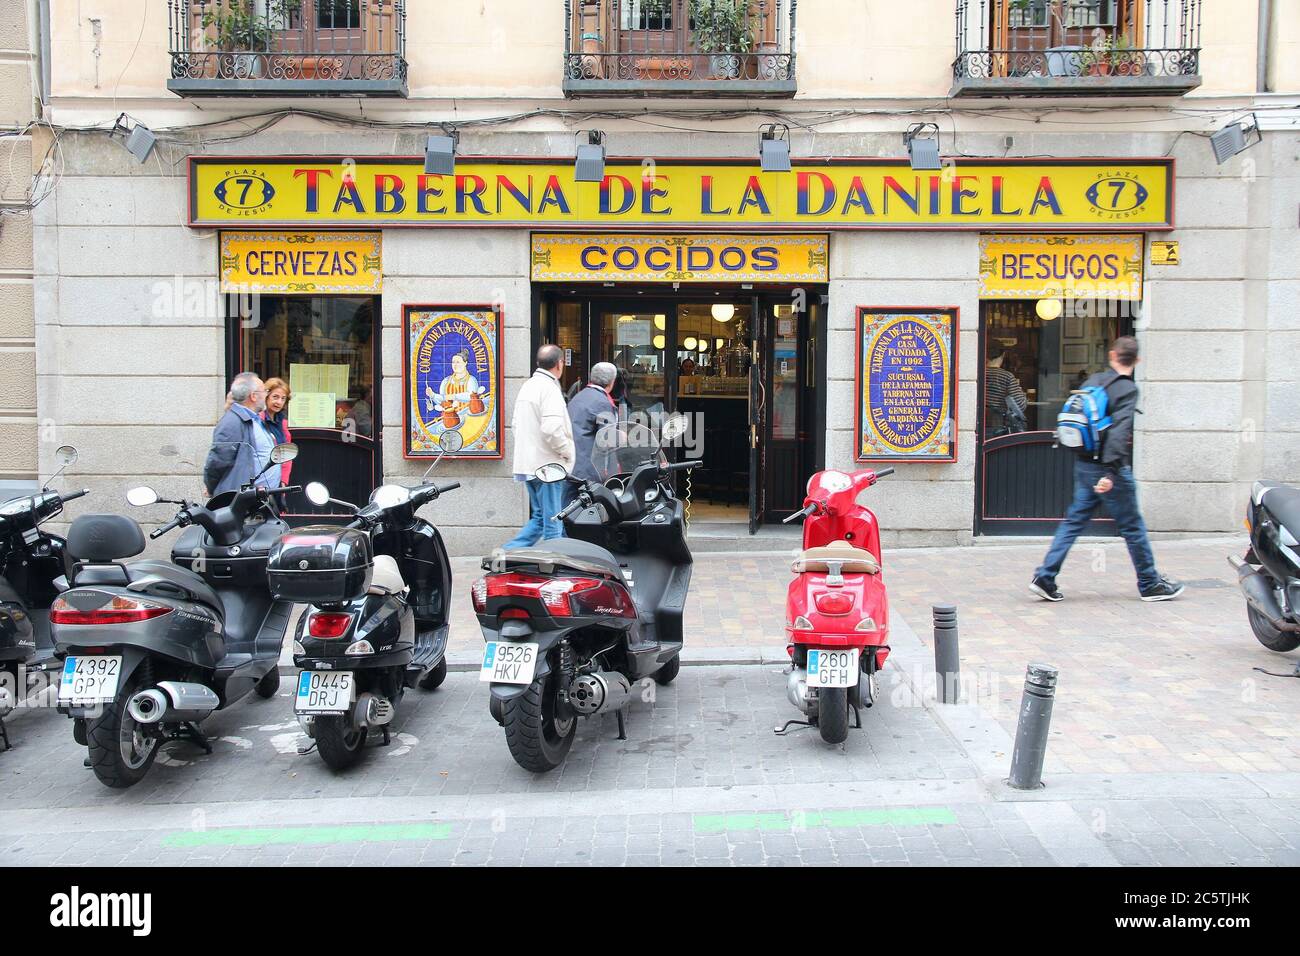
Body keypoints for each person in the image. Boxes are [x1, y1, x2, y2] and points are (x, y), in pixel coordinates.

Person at [1030, 336, 1183, 603]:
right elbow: (1119, 433)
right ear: (1137, 360)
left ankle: (1045, 576)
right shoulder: (1126, 389)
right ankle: (1150, 584)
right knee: (1133, 527)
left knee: (1074, 522)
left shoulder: (1093, 381)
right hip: (1109, 469)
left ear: (1112, 355)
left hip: (1084, 464)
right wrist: (1110, 474)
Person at [503, 344, 575, 549]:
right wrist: (567, 452)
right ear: (559, 364)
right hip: (548, 467)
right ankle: (554, 564)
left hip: (530, 465)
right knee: (552, 524)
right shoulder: (549, 388)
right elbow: (552, 429)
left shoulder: (529, 386)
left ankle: (506, 555)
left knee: (540, 518)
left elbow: (516, 425)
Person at [203, 372, 279, 496]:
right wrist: (212, 489)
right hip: (242, 502)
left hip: (259, 500)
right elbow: (217, 463)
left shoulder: (254, 419)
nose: (266, 394)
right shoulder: (232, 422)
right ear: (253, 396)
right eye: (264, 391)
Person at [567, 362, 619, 489]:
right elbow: (606, 441)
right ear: (612, 381)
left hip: (571, 466)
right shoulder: (602, 403)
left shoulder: (578, 397)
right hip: (589, 471)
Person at [984, 345, 1028, 437]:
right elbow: (1020, 405)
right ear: (1003, 355)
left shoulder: (978, 374)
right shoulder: (1007, 376)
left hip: (979, 422)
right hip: (998, 424)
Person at [262, 377, 293, 486]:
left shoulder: (282, 423)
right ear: (266, 397)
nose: (279, 402)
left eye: (283, 398)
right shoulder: (258, 420)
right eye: (275, 397)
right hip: (262, 480)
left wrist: (284, 480)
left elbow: (287, 454)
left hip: (278, 481)